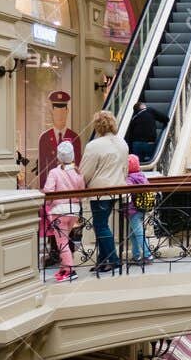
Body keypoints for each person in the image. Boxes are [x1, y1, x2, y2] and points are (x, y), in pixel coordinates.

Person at [80, 109, 130, 274]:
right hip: (118, 188)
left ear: (97, 126)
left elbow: (85, 172)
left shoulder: (94, 146)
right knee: (103, 225)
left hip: (100, 191)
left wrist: (80, 185)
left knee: (100, 225)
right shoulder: (122, 143)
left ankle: (113, 259)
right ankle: (103, 261)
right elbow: (125, 168)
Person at [43, 140, 84, 282]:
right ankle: (64, 268)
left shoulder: (54, 172)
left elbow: (48, 191)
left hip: (59, 211)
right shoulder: (78, 172)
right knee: (65, 240)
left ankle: (70, 271)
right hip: (74, 211)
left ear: (59, 157)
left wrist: (48, 203)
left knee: (62, 242)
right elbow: (81, 191)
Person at [124, 153, 152, 264]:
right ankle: (136, 255)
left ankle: (147, 254)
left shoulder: (129, 178)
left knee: (138, 232)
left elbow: (127, 189)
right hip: (141, 208)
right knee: (133, 234)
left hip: (132, 209)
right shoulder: (141, 176)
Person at [127, 99, 166, 166]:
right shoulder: (149, 111)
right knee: (152, 161)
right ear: (142, 106)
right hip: (149, 143)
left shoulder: (134, 118)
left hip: (136, 144)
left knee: (138, 164)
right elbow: (165, 118)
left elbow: (130, 135)